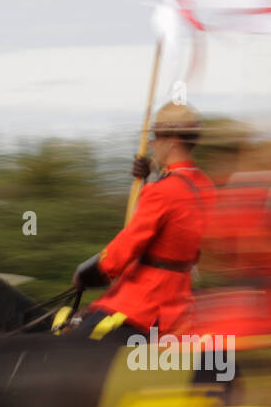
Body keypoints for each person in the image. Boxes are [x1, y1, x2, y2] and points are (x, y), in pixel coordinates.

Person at [70, 103, 214, 341]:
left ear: (173, 141)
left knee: (72, 346)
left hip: (145, 304)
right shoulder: (205, 185)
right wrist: (151, 175)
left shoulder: (162, 191)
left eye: (156, 137)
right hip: (180, 301)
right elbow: (176, 219)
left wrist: (88, 272)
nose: (152, 143)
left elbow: (125, 249)